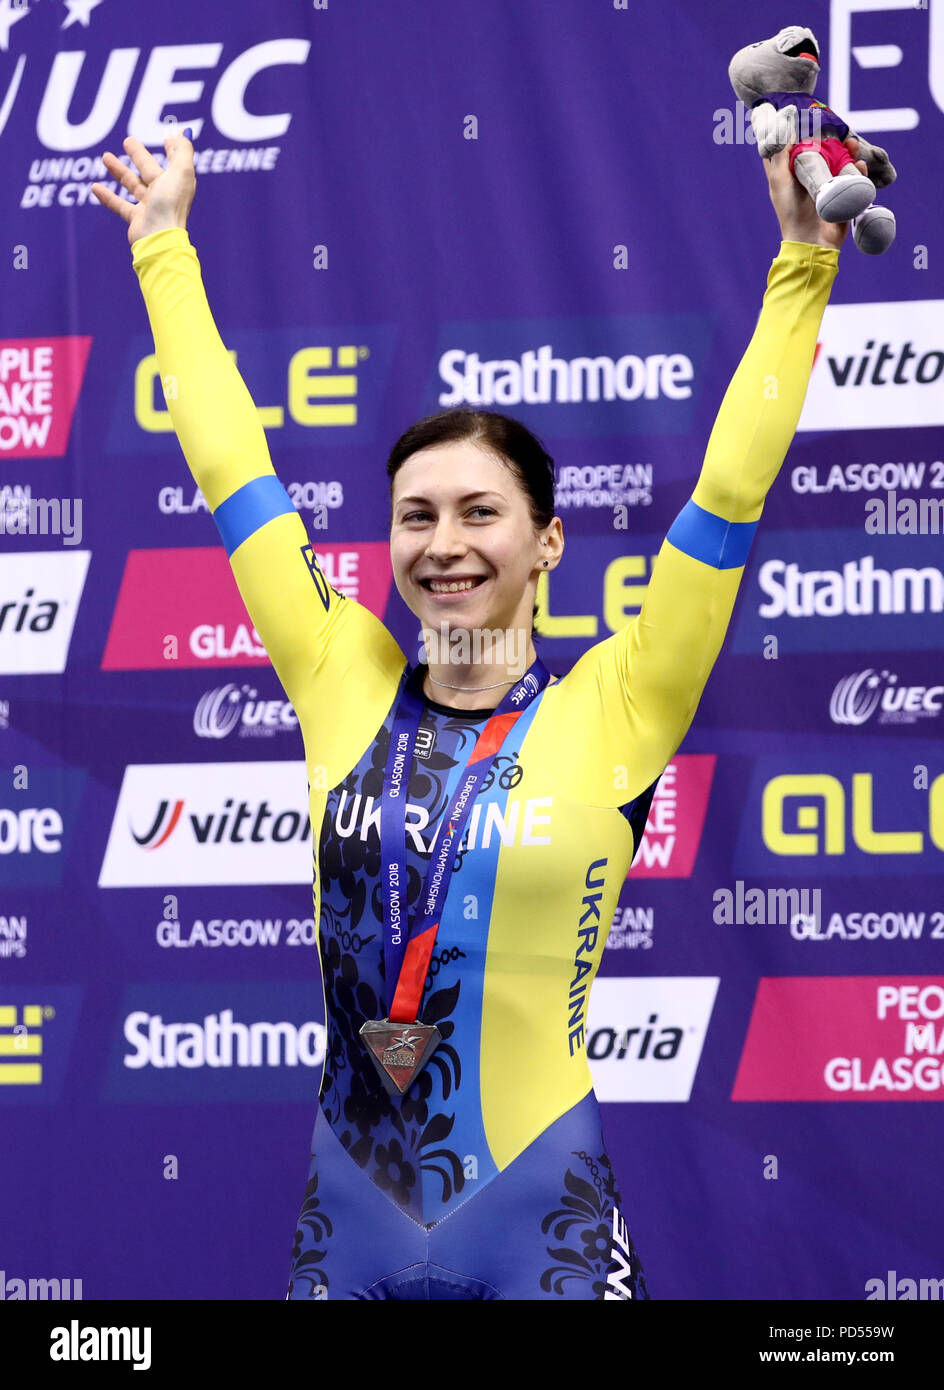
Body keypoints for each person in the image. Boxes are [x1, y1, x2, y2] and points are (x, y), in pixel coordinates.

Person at [93, 126, 861, 1300]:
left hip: (537, 1216)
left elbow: (727, 487)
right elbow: (229, 466)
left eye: (477, 512)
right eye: (414, 515)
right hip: (344, 1223)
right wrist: (162, 247)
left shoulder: (623, 696)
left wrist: (800, 261)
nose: (442, 544)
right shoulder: (338, 669)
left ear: (547, 539)